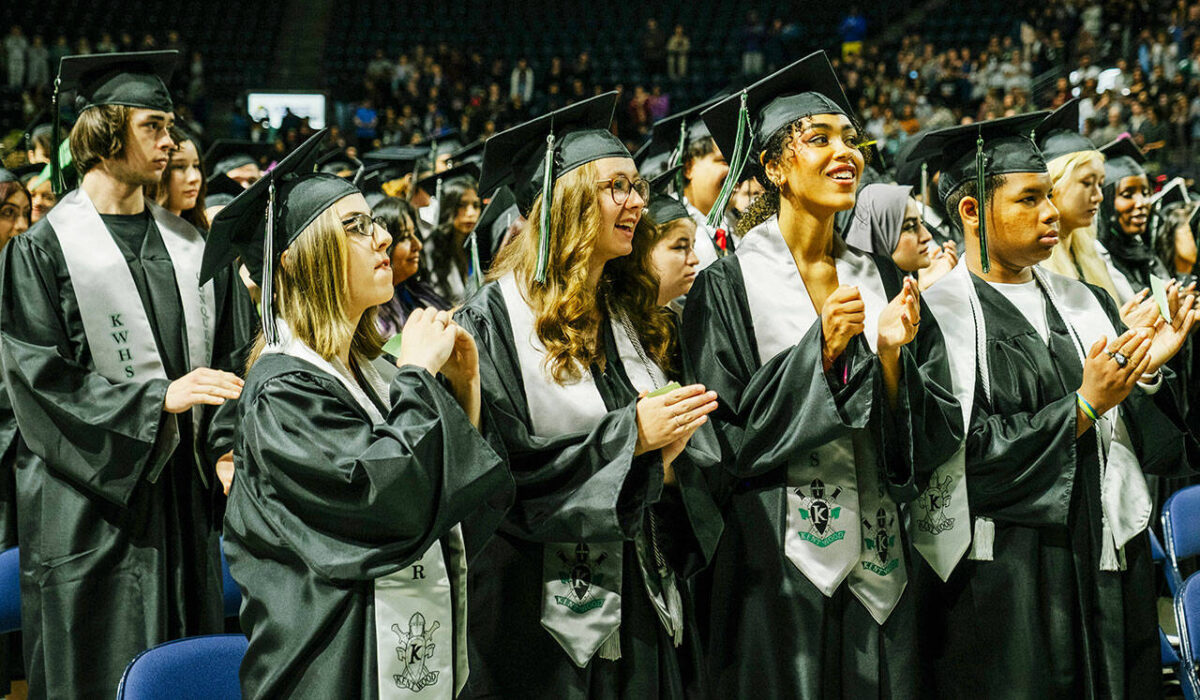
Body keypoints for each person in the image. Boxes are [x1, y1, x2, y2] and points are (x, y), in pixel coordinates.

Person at [683, 51, 961, 698]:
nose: (846, 153)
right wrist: (825, 353)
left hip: (881, 557)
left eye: (850, 139)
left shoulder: (885, 274)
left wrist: (891, 362)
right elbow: (718, 445)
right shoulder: (726, 286)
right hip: (776, 569)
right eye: (820, 140)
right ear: (775, 168)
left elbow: (933, 424)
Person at [205, 129, 511, 699]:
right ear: (299, 260)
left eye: (374, 221)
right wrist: (419, 373)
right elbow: (385, 502)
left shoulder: (368, 369)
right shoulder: (282, 391)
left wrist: (464, 387)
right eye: (355, 227)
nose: (382, 238)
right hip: (334, 661)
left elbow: (440, 491)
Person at [908, 113, 1198, 698]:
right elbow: (955, 458)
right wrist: (1082, 408)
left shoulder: (1086, 301)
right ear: (971, 213)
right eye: (1029, 198)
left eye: (1049, 196)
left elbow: (1144, 444)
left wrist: (1145, 371)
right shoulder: (932, 318)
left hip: (1104, 554)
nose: (1052, 214)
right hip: (1006, 571)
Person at [0, 51, 251, 698]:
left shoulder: (194, 246)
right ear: (103, 131)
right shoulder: (43, 251)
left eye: (169, 125)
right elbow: (37, 382)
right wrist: (155, 400)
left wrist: (225, 444)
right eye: (152, 125)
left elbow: (234, 356)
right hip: (94, 507)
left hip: (185, 500)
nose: (169, 140)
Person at [456, 93, 723, 698]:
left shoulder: (630, 313)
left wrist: (672, 456)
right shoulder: (490, 323)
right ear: (565, 204)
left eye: (637, 187)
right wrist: (635, 439)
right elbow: (496, 480)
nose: (635, 203)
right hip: (535, 609)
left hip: (638, 580)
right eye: (616, 188)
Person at [1036, 100, 1133, 307]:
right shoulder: (1033, 267)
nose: (1098, 196)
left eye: (1100, 184)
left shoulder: (1094, 251)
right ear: (1052, 186)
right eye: (1087, 183)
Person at [844, 183, 959, 290]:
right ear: (878, 237)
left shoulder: (912, 280)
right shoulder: (859, 304)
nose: (927, 236)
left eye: (921, 223)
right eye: (910, 226)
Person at [1097, 137, 1170, 296]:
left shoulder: (1140, 248)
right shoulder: (1098, 257)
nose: (1141, 203)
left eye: (1145, 193)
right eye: (1127, 194)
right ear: (1106, 203)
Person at [373, 196, 450, 336]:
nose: (418, 245)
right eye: (405, 237)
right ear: (383, 245)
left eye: (414, 233)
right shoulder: (374, 317)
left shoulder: (413, 290)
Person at [424, 169, 482, 305]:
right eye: (462, 205)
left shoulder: (477, 244)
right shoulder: (431, 248)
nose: (471, 213)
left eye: (476, 205)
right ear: (449, 206)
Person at [646, 169, 700, 311]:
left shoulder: (678, 317)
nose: (694, 260)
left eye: (692, 246)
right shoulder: (617, 326)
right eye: (680, 247)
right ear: (642, 252)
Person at [145, 126, 208, 230]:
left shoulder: (200, 236)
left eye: (196, 166)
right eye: (179, 167)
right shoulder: (138, 237)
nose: (194, 178)